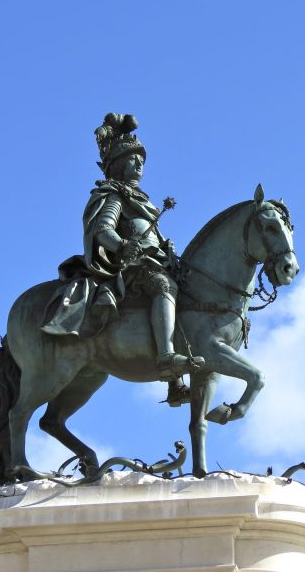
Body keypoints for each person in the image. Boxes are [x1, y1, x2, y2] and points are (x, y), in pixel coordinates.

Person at [41, 113, 199, 405]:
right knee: (164, 286)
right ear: (117, 164)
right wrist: (123, 245)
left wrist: (166, 247)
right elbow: (102, 230)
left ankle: (176, 383)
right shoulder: (114, 195)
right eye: (132, 160)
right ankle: (166, 358)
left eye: (141, 162)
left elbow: (150, 237)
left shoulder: (144, 201)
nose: (139, 166)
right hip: (131, 267)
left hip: (156, 261)